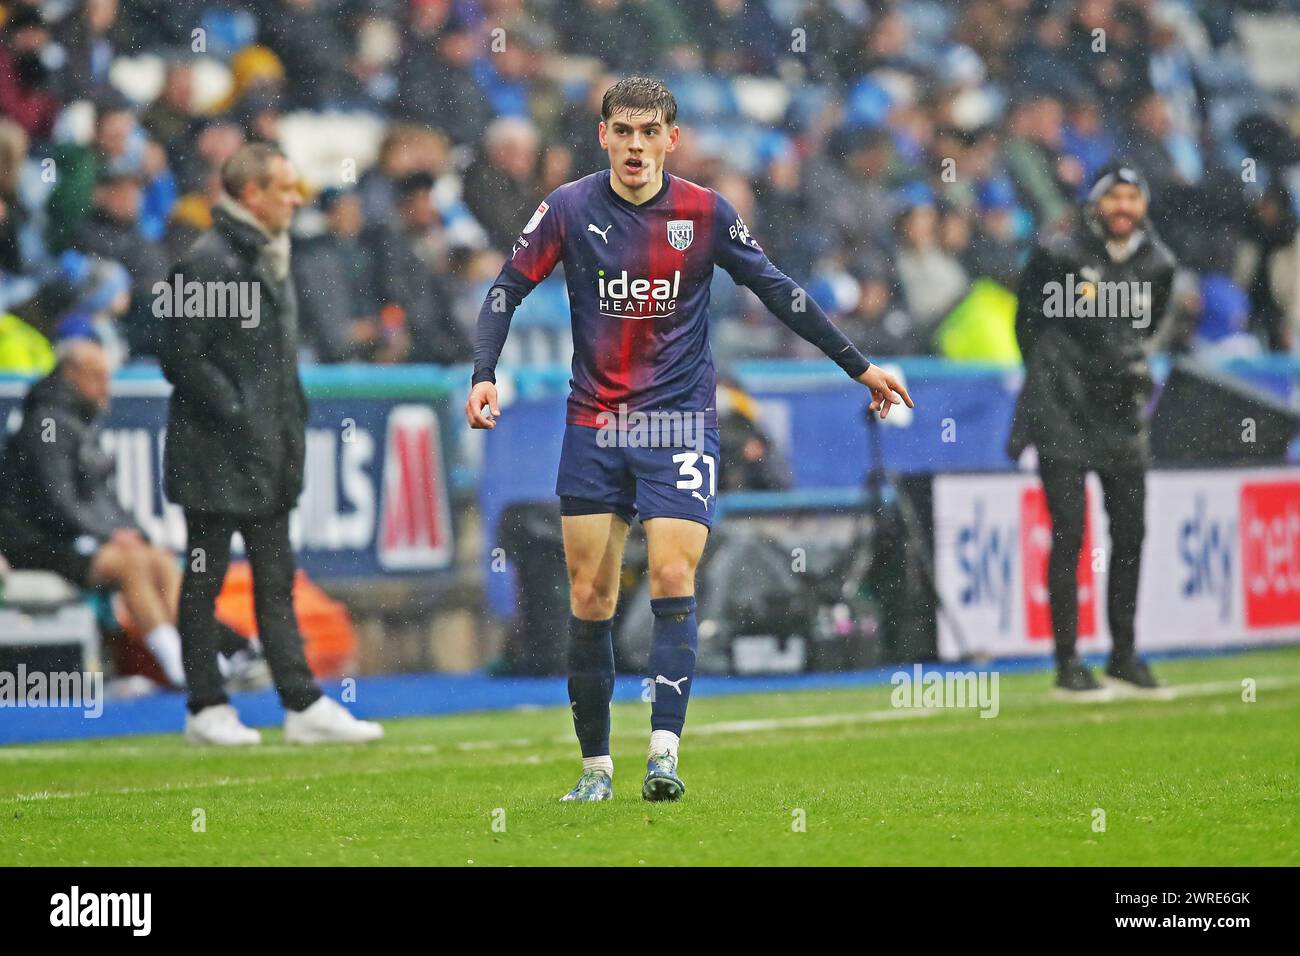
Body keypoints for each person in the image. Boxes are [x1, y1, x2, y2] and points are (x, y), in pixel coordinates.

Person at [466, 76, 912, 802]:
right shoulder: (569, 209)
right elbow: (504, 289)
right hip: (596, 424)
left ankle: (664, 752)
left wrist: (859, 367)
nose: (636, 145)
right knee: (590, 593)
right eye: (623, 132)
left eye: (650, 132)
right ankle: (594, 768)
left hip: (678, 423)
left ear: (672, 139)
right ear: (604, 136)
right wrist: (484, 372)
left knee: (674, 575)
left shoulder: (704, 214)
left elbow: (779, 290)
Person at [160, 143, 382, 746]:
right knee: (204, 575)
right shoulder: (210, 260)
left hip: (264, 450)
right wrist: (238, 412)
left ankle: (300, 700)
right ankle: (206, 706)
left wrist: (273, 423)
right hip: (215, 453)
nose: (295, 199)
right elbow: (180, 353)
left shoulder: (267, 255)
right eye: (284, 188)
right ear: (250, 193)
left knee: (275, 576)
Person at [1008, 161, 1177, 698]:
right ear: (1095, 204)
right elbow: (1026, 322)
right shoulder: (1060, 254)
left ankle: (1124, 654)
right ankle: (1068, 660)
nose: (1124, 208)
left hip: (1121, 414)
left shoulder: (1158, 263)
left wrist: (1115, 369)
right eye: (1114, 197)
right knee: (1069, 533)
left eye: (1133, 197)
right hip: (1062, 409)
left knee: (1130, 533)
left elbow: (1146, 328)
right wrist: (1052, 379)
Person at [0, 338, 257, 686]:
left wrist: (131, 530)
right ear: (72, 374)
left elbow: (100, 499)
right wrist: (107, 535)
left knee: (158, 559)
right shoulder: (46, 425)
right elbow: (54, 501)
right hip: (39, 544)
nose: (106, 387)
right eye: (97, 376)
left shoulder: (75, 422)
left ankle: (211, 649)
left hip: (72, 538)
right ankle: (178, 662)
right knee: (132, 563)